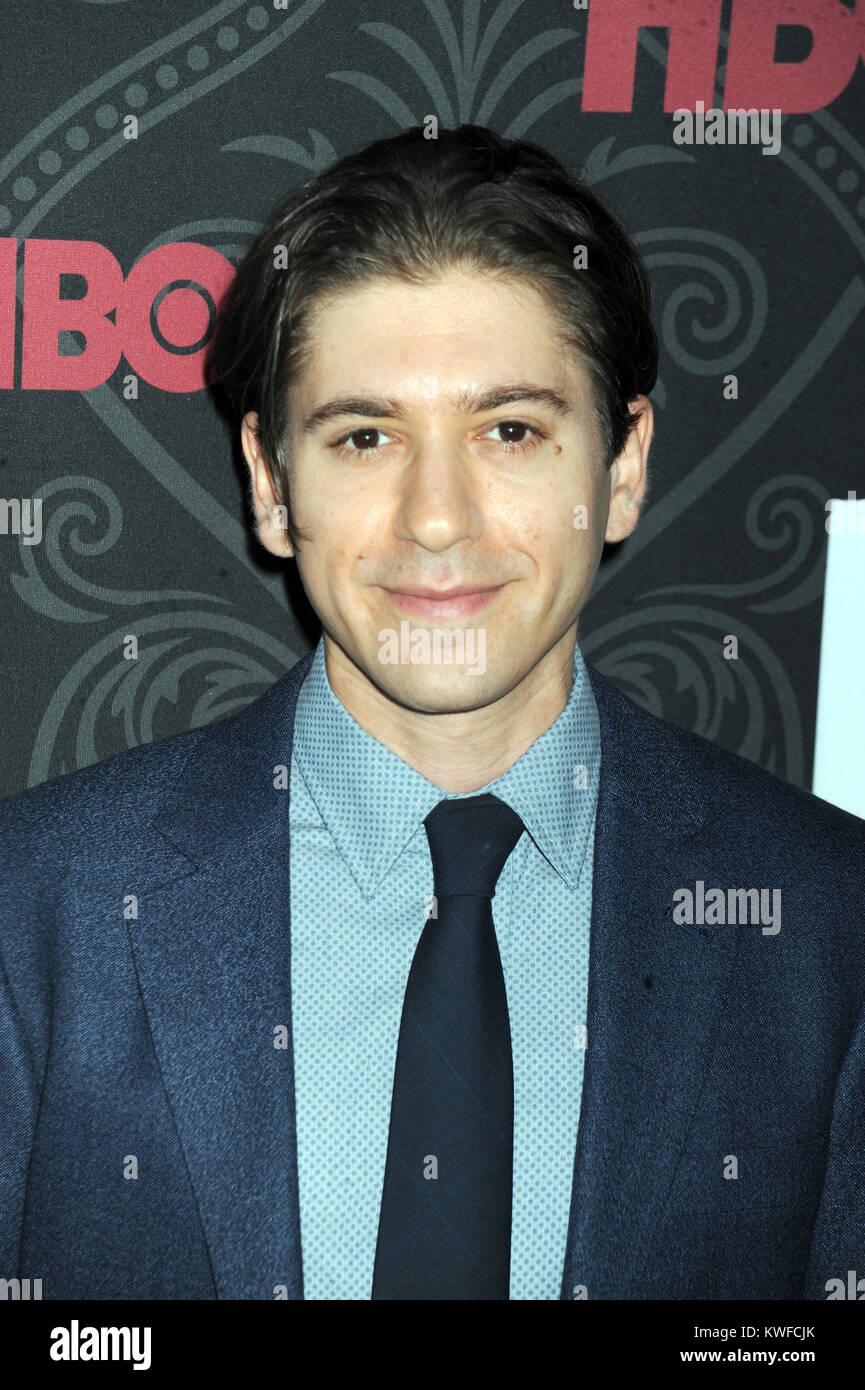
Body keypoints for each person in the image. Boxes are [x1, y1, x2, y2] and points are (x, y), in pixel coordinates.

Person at [1, 125, 863, 1302]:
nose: (438, 517)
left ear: (620, 467)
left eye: (510, 430)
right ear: (270, 482)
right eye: (365, 436)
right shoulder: (38, 905)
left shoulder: (826, 920)